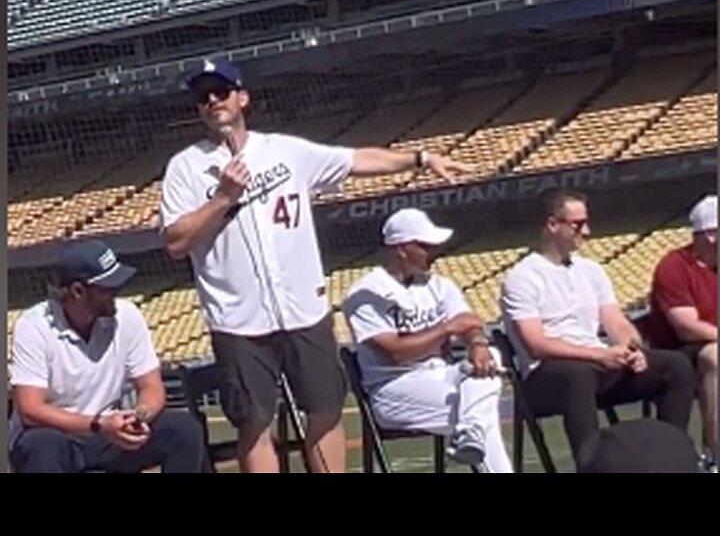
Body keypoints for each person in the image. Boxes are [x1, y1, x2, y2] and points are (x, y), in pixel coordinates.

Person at [160, 57, 473, 475]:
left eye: (222, 91)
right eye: (203, 96)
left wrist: (420, 158)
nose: (213, 100)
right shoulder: (185, 167)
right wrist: (222, 198)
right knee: (254, 420)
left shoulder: (284, 151)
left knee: (325, 408)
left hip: (303, 308)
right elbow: (176, 242)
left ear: (243, 97)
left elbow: (355, 160)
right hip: (237, 318)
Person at [501, 192, 696, 464]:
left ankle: (671, 459)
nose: (587, 232)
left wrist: (631, 348)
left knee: (676, 365)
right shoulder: (522, 277)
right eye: (578, 224)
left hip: (597, 364)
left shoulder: (591, 270)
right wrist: (599, 355)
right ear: (553, 224)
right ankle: (592, 467)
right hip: (546, 375)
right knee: (577, 376)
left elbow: (615, 321)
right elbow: (536, 345)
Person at [10, 239, 206, 474]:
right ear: (78, 291)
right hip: (62, 435)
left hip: (110, 432)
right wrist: (97, 425)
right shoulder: (34, 326)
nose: (117, 291)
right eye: (107, 288)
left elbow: (151, 386)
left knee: (183, 429)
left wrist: (138, 417)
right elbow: (30, 409)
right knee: (42, 445)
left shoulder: (127, 316)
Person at [342, 209, 512, 472]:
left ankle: (469, 430)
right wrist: (446, 329)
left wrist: (477, 343)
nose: (434, 252)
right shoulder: (365, 293)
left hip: (441, 374)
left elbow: (469, 323)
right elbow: (396, 353)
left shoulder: (440, 285)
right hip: (394, 388)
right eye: (425, 246)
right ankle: (471, 430)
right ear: (401, 249)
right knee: (480, 415)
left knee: (491, 360)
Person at [649, 195, 717, 465]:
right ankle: (715, 455)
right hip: (680, 353)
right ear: (709, 235)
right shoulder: (675, 266)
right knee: (715, 357)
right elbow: (687, 328)